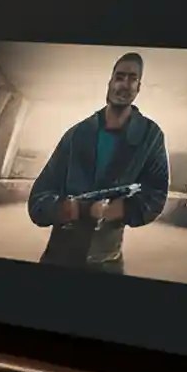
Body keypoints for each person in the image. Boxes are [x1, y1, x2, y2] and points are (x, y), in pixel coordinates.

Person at [27, 52, 169, 274]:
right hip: (60, 255)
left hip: (106, 259)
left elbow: (156, 194)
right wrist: (69, 208)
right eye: (119, 77)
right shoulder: (77, 134)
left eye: (132, 78)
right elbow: (39, 198)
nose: (124, 84)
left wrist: (118, 210)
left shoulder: (150, 136)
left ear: (139, 87)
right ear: (110, 83)